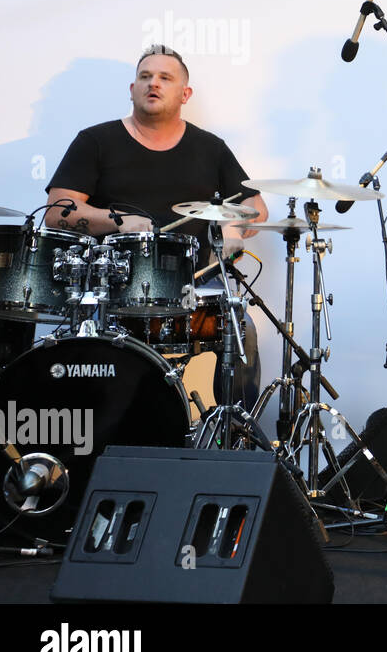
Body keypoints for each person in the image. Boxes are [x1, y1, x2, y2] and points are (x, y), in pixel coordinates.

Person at [44, 44, 268, 408]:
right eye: (145, 76)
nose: (154, 84)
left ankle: (234, 437)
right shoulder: (95, 141)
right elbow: (57, 212)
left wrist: (232, 228)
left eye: (165, 78)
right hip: (111, 289)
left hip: (191, 287)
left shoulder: (210, 148)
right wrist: (117, 221)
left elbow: (255, 206)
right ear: (132, 89)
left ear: (185, 94)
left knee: (241, 330)